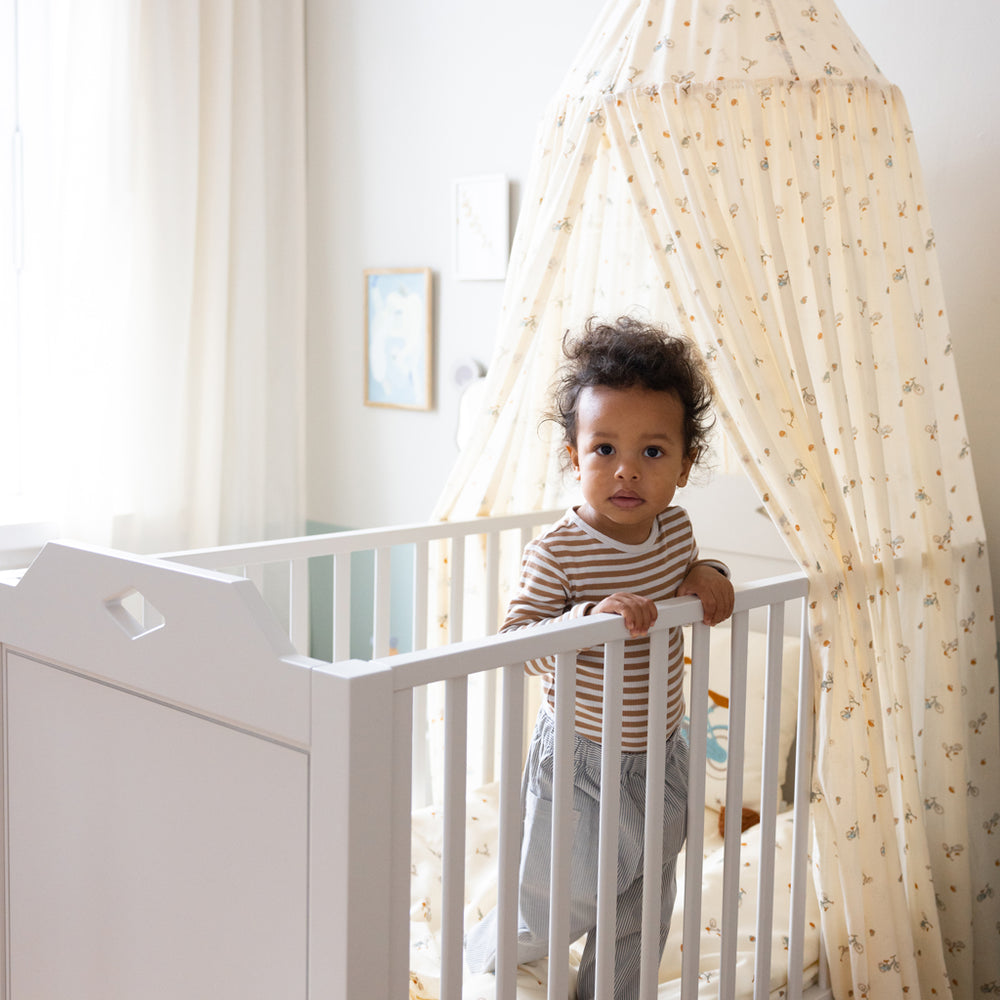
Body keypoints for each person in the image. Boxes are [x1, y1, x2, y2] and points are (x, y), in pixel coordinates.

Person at [464, 315, 735, 999]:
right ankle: (487, 954)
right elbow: (516, 640)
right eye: (604, 447)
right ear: (573, 454)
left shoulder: (675, 529)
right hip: (583, 758)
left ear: (684, 464)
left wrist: (710, 573)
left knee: (640, 903)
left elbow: (689, 570)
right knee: (559, 897)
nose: (625, 470)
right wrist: (588, 619)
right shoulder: (558, 550)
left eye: (651, 452)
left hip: (662, 754)